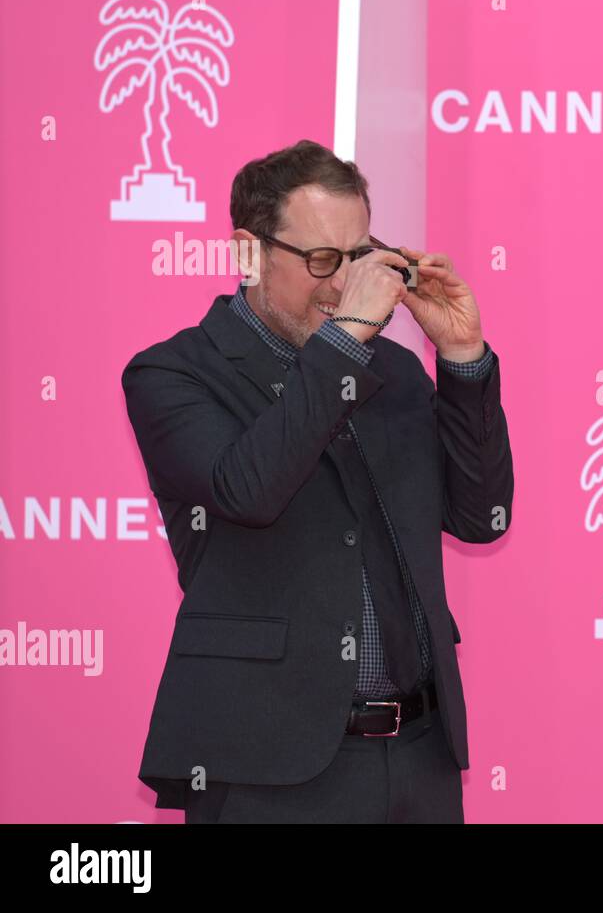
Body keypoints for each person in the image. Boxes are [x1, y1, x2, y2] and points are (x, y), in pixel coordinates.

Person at [121, 140, 514, 822]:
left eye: (358, 256)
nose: (341, 284)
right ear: (248, 252)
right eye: (322, 261)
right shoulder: (174, 374)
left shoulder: (392, 371)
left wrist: (462, 359)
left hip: (420, 758)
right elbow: (248, 489)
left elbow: (480, 515)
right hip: (270, 767)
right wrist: (349, 339)